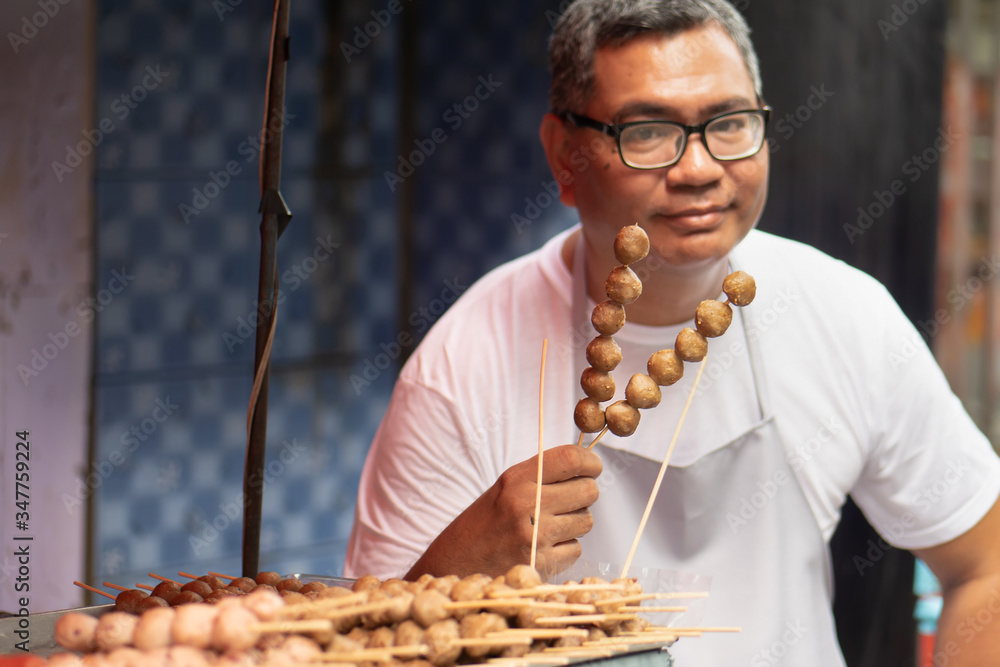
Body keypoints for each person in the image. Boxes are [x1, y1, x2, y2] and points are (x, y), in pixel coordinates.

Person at [345, 0, 1000, 663]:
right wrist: (458, 565)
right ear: (565, 157)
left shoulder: (844, 316)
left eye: (730, 122)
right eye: (649, 131)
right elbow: (372, 643)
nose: (699, 169)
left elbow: (986, 564)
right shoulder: (460, 368)